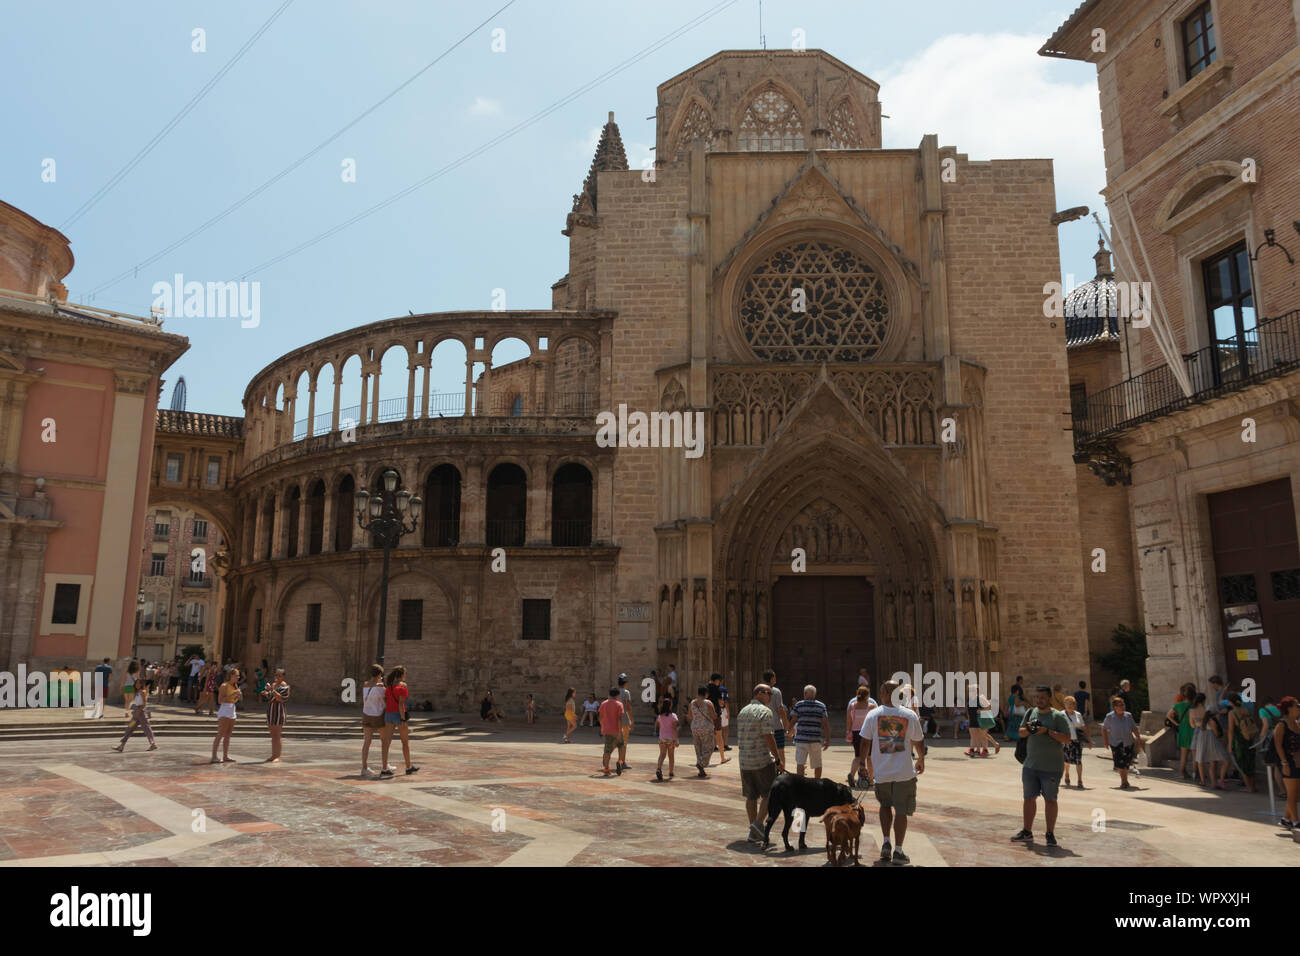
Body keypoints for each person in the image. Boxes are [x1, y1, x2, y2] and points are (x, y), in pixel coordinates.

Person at [861, 679, 925, 865]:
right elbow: (919, 740)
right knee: (902, 810)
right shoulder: (909, 715)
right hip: (904, 773)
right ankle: (898, 851)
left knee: (885, 806)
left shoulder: (873, 715)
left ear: (884, 694)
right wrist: (921, 758)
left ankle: (886, 843)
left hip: (882, 772)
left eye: (881, 691)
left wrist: (864, 765)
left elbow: (865, 741)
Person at [1012, 685, 1071, 846]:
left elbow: (1067, 738)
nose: (1039, 700)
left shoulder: (1057, 716)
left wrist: (1047, 731)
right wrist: (1030, 729)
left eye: (1042, 697)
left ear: (1049, 699)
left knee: (1050, 800)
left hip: (1051, 767)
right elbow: (1021, 732)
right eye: (1037, 697)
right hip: (1030, 764)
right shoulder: (1031, 713)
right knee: (1028, 799)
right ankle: (1027, 831)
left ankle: (1050, 833)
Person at [737, 683, 783, 844]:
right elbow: (769, 736)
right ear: (759, 694)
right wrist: (778, 759)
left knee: (751, 796)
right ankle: (757, 824)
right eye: (768, 693)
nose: (771, 696)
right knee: (769, 795)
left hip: (745, 760)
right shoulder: (765, 711)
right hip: (762, 760)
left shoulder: (742, 711)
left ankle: (753, 832)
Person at [380, 666, 418, 776]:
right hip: (399, 715)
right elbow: (401, 704)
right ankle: (408, 767)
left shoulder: (389, 686)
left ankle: (384, 768)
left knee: (386, 742)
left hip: (388, 715)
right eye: (405, 674)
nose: (405, 676)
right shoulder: (402, 686)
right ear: (402, 675)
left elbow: (385, 700)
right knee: (405, 742)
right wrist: (402, 718)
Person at [1102, 694, 1142, 789]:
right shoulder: (1109, 717)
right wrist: (1105, 742)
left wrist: (1139, 738)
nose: (1122, 706)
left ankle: (1125, 779)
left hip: (1128, 742)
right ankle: (1123, 781)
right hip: (1116, 743)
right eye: (1120, 705)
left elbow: (1134, 728)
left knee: (1127, 762)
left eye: (1123, 704)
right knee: (1120, 763)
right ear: (1115, 707)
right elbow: (1104, 729)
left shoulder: (1128, 715)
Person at [791, 684, 831, 778]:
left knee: (800, 763)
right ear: (815, 694)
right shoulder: (821, 706)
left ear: (805, 693)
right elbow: (825, 724)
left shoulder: (799, 705)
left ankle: (800, 785)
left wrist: (789, 730)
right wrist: (827, 740)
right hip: (815, 740)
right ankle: (817, 783)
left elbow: (793, 720)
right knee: (817, 764)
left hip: (801, 740)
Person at [1272, 696, 1300, 831]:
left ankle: (1285, 819)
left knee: (1296, 794)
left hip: (1298, 761)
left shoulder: (1297, 723)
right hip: (1288, 762)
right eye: (1297, 706)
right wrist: (1284, 763)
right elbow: (1278, 745)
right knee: (1292, 794)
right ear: (1289, 708)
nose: (1299, 708)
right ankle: (1296, 822)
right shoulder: (1281, 725)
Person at [112, 674, 157, 753]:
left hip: (141, 713)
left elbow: (144, 704)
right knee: (129, 728)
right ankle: (121, 745)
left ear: (141, 684)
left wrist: (138, 712)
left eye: (139, 683)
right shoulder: (136, 692)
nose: (137, 685)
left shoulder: (143, 692)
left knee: (146, 729)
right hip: (136, 714)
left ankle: (152, 744)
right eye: (136, 683)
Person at [360, 664, 390, 776]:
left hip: (366, 714)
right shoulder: (381, 688)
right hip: (378, 716)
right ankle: (385, 765)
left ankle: (364, 767)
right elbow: (385, 702)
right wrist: (383, 686)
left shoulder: (365, 685)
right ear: (379, 675)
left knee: (367, 742)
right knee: (384, 741)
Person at [1225, 693, 1258, 793]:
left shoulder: (1232, 713)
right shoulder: (1246, 710)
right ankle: (1252, 786)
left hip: (1239, 741)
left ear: (1231, 702)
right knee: (1250, 763)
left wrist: (1230, 745)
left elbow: (1230, 730)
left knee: (1242, 764)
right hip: (1249, 739)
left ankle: (1249, 787)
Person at [846, 685, 876, 789]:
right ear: (867, 695)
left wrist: (849, 731)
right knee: (869, 757)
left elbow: (849, 721)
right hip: (868, 733)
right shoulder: (871, 706)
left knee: (858, 756)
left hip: (856, 733)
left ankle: (852, 774)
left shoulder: (852, 706)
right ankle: (871, 780)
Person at [210, 668, 241, 764]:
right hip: (224, 709)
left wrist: (237, 696)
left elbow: (233, 700)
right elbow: (220, 700)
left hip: (232, 709)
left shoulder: (235, 685)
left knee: (228, 735)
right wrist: (233, 694)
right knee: (220, 734)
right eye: (236, 675)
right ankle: (214, 756)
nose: (238, 677)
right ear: (231, 676)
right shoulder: (224, 685)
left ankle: (225, 755)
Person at [1061, 694, 1092, 788]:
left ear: (1075, 705)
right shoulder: (1061, 714)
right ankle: (1067, 773)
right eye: (1067, 703)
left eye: (1071, 704)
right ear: (1064, 705)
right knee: (1066, 760)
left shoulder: (1078, 714)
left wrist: (1089, 740)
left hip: (1077, 741)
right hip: (1066, 741)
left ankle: (1080, 780)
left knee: (1079, 760)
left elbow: (1083, 727)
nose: (1069, 705)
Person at [687, 685, 717, 778]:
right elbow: (713, 716)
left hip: (695, 728)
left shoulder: (692, 703)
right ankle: (701, 763)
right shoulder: (708, 703)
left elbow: (690, 716)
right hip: (706, 728)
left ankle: (701, 770)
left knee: (698, 748)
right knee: (709, 748)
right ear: (706, 693)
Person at [262, 667, 289, 763]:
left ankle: (277, 756)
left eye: (279, 675)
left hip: (278, 711)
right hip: (271, 710)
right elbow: (270, 697)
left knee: (277, 735)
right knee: (273, 735)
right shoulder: (273, 685)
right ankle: (273, 755)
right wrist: (266, 693)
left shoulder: (284, 685)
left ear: (283, 677)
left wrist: (272, 690)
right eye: (276, 675)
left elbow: (281, 698)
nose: (277, 677)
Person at [1259, 697, 1285, 793]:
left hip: (1271, 738)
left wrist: (1261, 738)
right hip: (1283, 735)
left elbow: (1265, 725)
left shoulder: (1263, 710)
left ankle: (1282, 791)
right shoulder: (1280, 709)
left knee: (1275, 765)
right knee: (1283, 762)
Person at [761, 669, 789, 758]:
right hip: (776, 726)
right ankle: (781, 770)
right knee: (780, 752)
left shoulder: (759, 691)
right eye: (775, 676)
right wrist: (786, 726)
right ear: (772, 678)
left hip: (763, 726)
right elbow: (780, 710)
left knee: (765, 751)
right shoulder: (776, 691)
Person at [598, 687, 626, 776]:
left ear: (609, 694)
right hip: (617, 730)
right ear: (617, 695)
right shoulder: (619, 704)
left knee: (607, 750)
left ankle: (606, 769)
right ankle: (620, 762)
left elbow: (600, 718)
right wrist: (620, 731)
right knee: (621, 747)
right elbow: (619, 719)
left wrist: (603, 726)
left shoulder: (603, 704)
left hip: (607, 730)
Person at [655, 696, 679, 781]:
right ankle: (671, 772)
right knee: (671, 756)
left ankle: (659, 768)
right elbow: (675, 728)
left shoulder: (660, 716)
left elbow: (659, 725)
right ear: (670, 706)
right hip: (671, 738)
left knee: (662, 754)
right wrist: (676, 740)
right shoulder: (673, 716)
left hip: (662, 738)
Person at [617, 674, 635, 765]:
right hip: (624, 719)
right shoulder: (626, 692)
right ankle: (622, 761)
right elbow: (628, 707)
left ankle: (614, 760)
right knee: (624, 742)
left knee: (616, 741)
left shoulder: (614, 692)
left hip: (615, 720)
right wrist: (632, 720)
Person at [716, 679, 732, 753]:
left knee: (716, 729)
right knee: (725, 728)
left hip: (715, 710)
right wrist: (728, 712)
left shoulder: (712, 689)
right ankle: (724, 744)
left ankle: (715, 745)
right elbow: (726, 701)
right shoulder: (723, 689)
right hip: (722, 709)